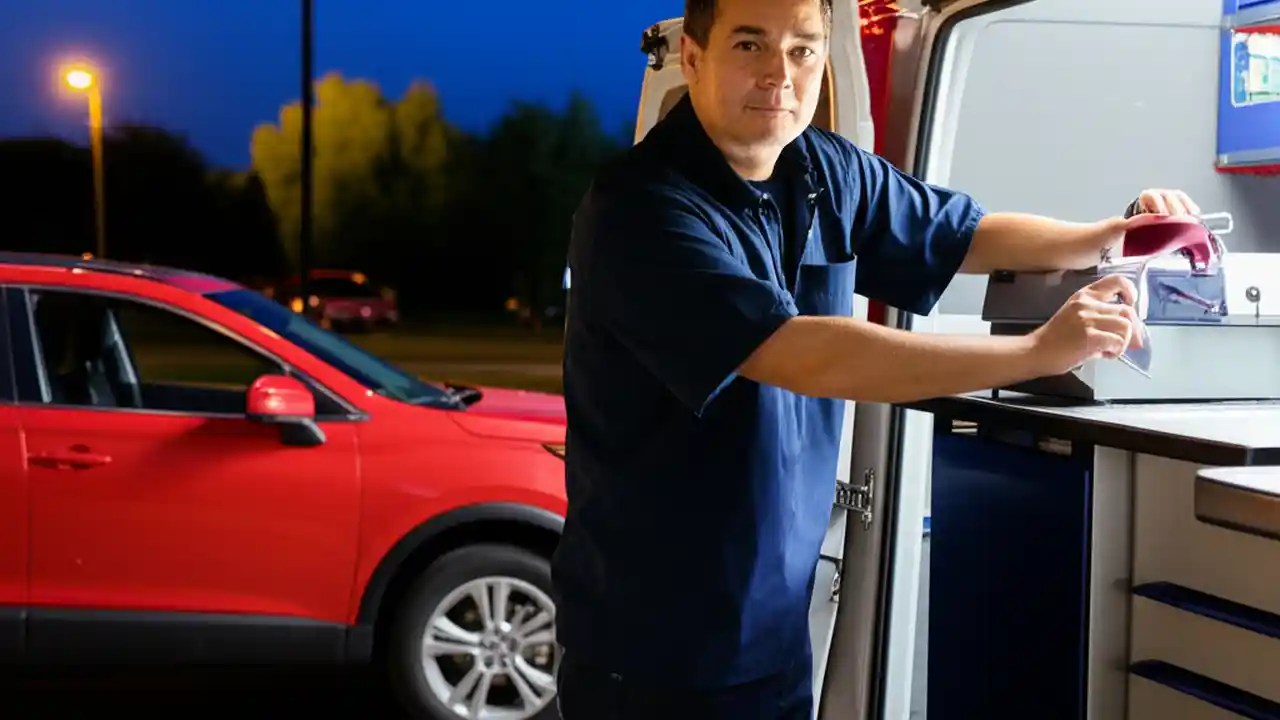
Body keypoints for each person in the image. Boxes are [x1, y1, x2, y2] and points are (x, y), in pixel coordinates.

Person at [550, 0, 1202, 717]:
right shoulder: (639, 208)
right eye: (750, 45)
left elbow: (967, 236)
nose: (780, 74)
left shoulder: (819, 168)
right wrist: (1036, 353)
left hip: (770, 632)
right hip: (650, 650)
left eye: (803, 49)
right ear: (695, 58)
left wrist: (1115, 235)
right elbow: (800, 354)